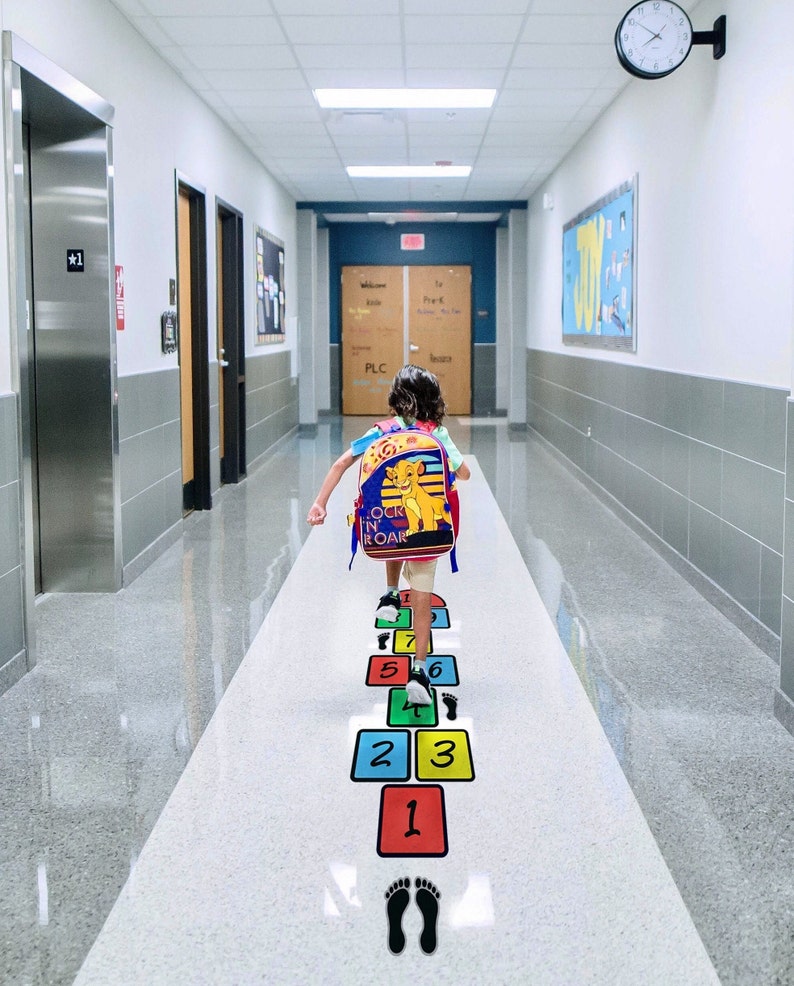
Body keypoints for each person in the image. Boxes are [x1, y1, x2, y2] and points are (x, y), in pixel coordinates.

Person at [307, 365, 470, 705]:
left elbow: (340, 464)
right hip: (429, 531)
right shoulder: (437, 433)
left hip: (386, 530)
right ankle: (420, 671)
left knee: (393, 530)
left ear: (396, 399)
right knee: (422, 595)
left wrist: (319, 504)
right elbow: (464, 474)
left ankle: (390, 594)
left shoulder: (381, 431)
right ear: (433, 400)